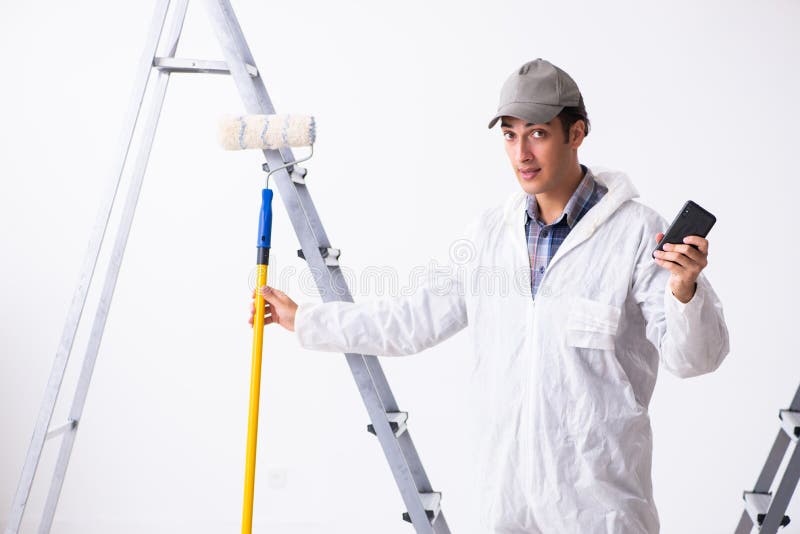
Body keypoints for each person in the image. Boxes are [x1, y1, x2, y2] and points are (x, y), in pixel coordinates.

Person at [248, 58, 730, 533]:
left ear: (576, 133)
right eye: (509, 134)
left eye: (538, 133)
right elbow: (414, 320)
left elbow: (696, 358)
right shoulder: (490, 238)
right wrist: (306, 319)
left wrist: (685, 290)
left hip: (599, 513)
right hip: (507, 508)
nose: (521, 153)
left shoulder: (636, 234)